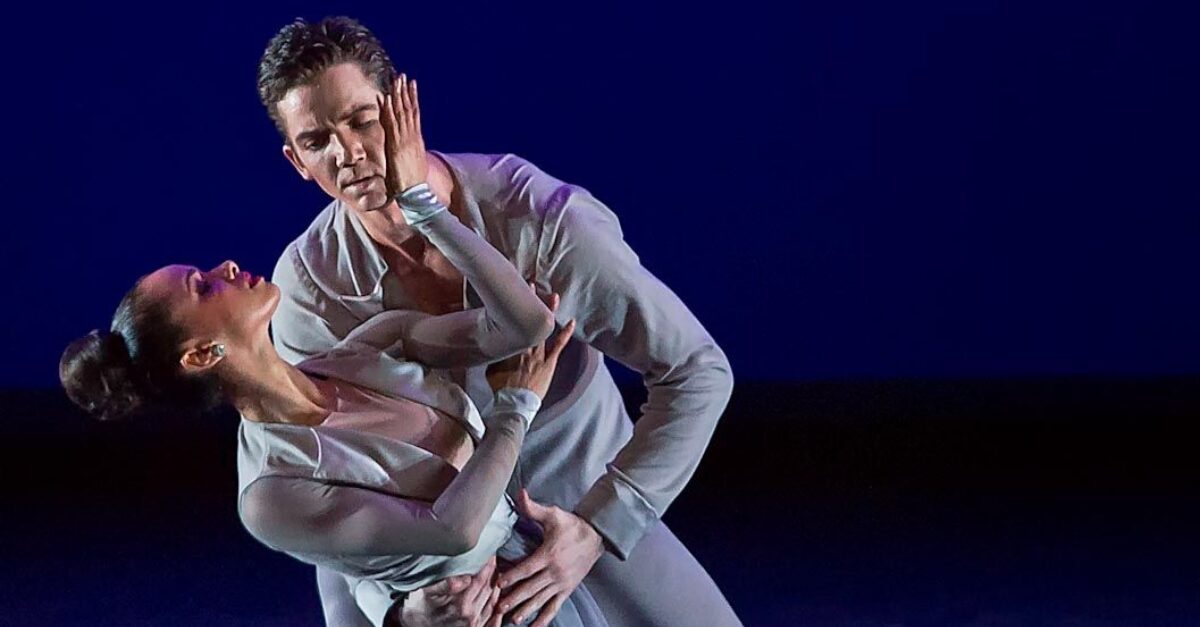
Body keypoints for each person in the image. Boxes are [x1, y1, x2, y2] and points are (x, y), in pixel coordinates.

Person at [58, 76, 600, 626]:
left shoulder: (363, 349)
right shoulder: (268, 494)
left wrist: (422, 205)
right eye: (203, 286)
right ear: (200, 356)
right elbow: (452, 530)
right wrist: (515, 407)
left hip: (538, 588)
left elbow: (525, 324)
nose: (224, 267)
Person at [259, 16, 742, 627]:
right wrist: (400, 608)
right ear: (297, 161)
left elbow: (697, 370)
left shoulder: (540, 220)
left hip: (578, 500)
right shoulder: (308, 286)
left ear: (403, 109)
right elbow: (323, 481)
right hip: (430, 555)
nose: (347, 154)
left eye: (362, 120)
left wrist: (597, 527)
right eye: (316, 141)